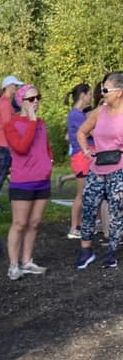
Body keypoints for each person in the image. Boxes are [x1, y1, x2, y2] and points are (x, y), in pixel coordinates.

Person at [4, 84, 53, 279]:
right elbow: (21, 147)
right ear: (21, 102)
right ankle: (13, 265)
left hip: (42, 179)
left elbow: (45, 147)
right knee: (20, 223)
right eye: (31, 99)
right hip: (22, 181)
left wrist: (49, 161)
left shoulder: (41, 123)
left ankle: (27, 261)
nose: (36, 102)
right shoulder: (12, 124)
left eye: (38, 97)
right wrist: (31, 121)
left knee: (34, 222)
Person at [75, 71, 123, 270]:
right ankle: (86, 251)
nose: (102, 93)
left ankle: (111, 253)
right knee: (88, 207)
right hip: (98, 166)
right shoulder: (99, 112)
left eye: (106, 90)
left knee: (116, 210)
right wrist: (86, 150)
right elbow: (81, 132)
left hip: (120, 167)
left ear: (119, 92)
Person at [0, 75, 24, 206]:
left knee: (5, 171)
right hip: (3, 143)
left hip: (0, 142)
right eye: (15, 86)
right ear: (8, 87)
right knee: (1, 173)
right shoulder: (5, 104)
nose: (16, 89)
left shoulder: (4, 103)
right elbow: (7, 124)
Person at [64, 83, 93, 240]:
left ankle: (80, 225)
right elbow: (89, 131)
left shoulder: (78, 114)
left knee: (86, 194)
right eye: (89, 94)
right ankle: (74, 228)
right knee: (81, 195)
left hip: (83, 156)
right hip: (81, 157)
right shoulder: (76, 115)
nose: (90, 98)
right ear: (83, 95)